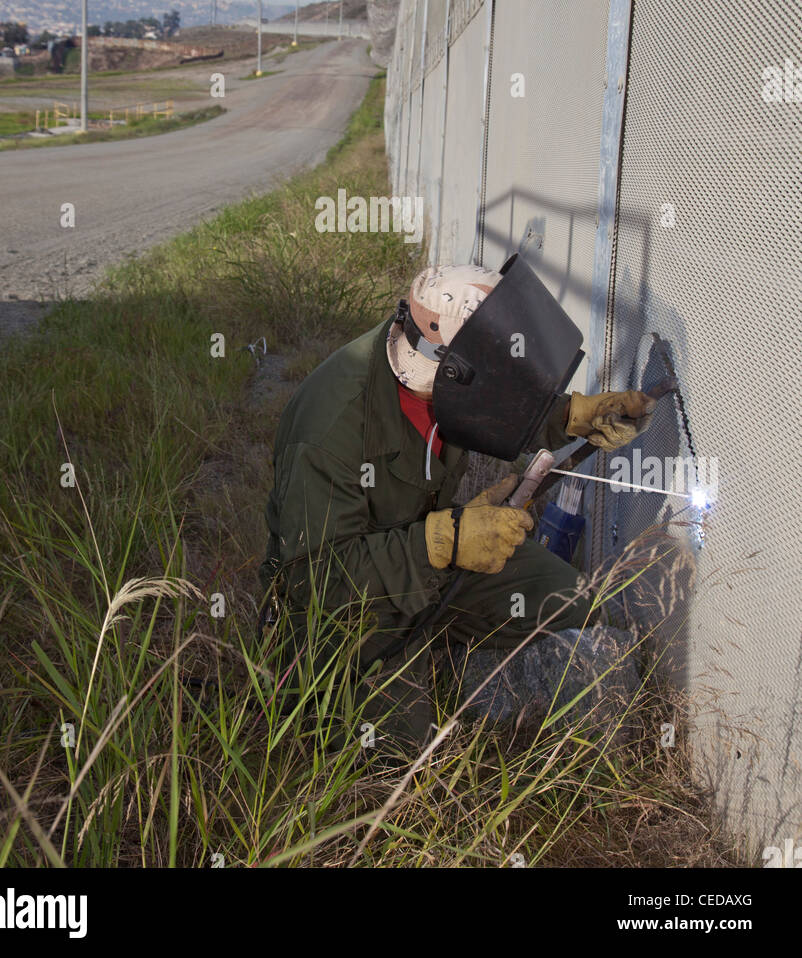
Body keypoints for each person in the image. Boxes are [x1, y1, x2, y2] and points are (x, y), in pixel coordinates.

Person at [259, 260, 655, 733]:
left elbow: (499, 402)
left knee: (573, 602)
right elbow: (317, 579)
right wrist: (444, 542)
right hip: (346, 615)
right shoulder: (330, 429)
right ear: (453, 370)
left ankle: (449, 648)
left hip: (433, 564)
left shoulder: (437, 371)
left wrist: (574, 416)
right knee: (396, 767)